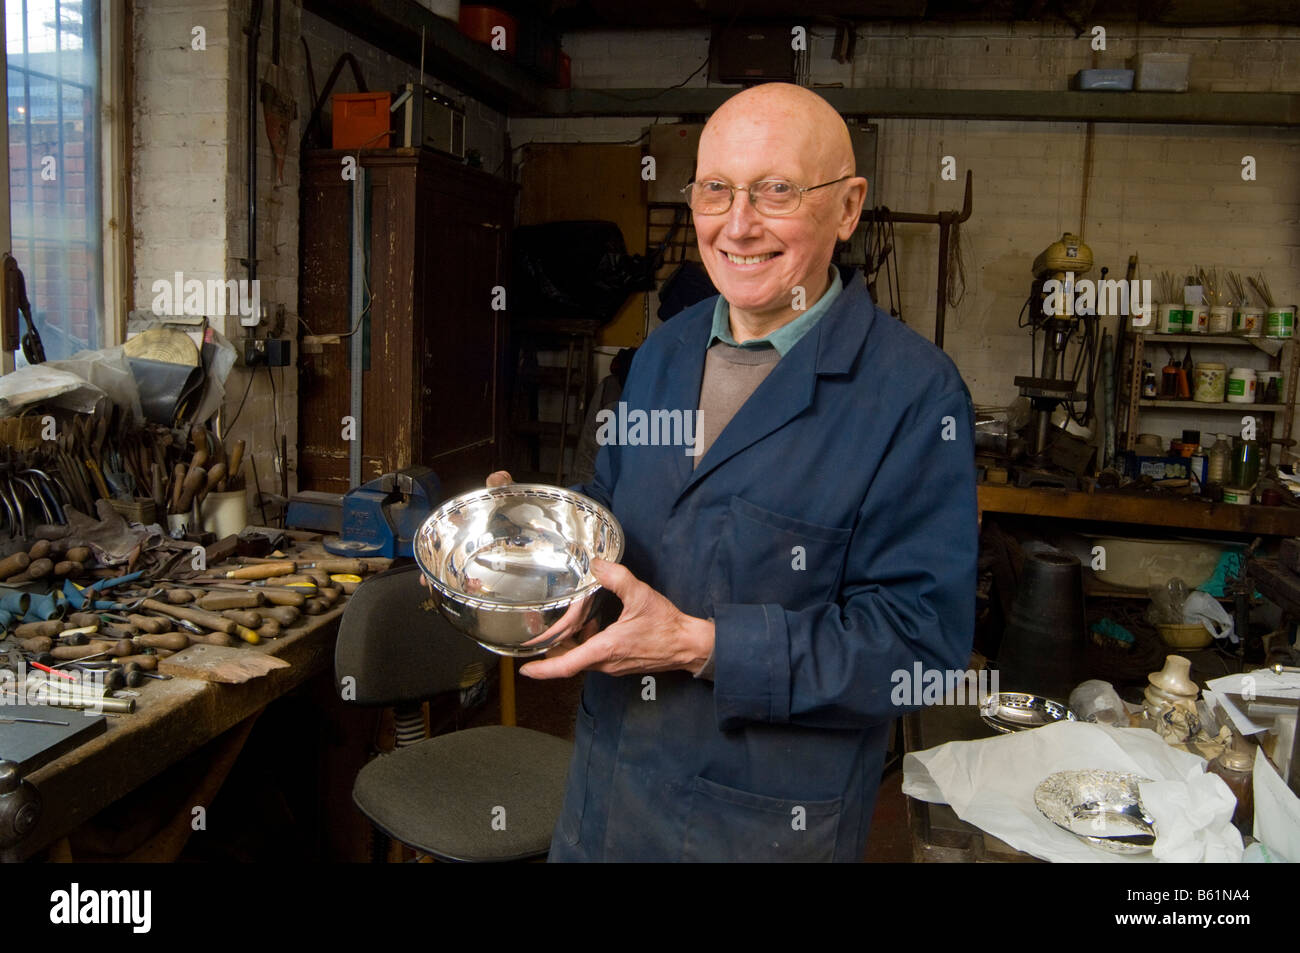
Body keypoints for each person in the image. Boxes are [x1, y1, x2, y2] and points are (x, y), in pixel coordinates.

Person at [489, 82, 977, 861]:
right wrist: (537, 540)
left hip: (760, 825)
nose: (738, 224)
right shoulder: (662, 352)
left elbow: (918, 648)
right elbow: (613, 507)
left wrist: (700, 644)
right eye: (715, 189)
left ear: (848, 209)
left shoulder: (913, 396)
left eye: (776, 190)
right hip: (607, 801)